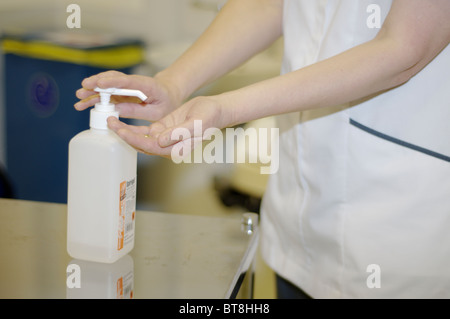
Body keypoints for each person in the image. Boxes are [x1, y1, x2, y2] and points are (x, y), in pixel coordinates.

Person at [75, 0, 450, 298]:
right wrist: (173, 84)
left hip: (398, 219)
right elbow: (268, 4)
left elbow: (406, 46)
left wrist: (224, 107)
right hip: (298, 215)